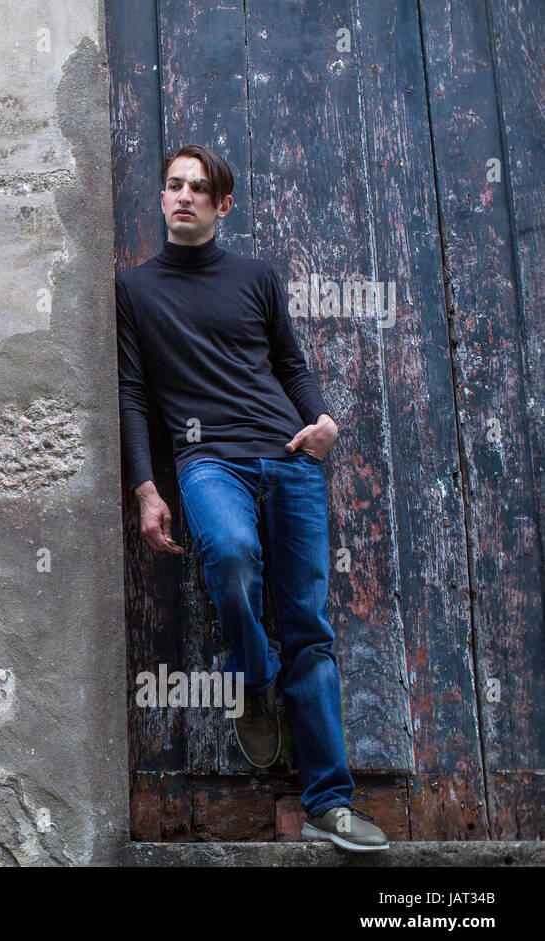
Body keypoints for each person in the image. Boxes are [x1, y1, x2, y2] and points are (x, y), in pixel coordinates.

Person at [116, 144, 388, 852]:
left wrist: (323, 421)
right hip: (207, 462)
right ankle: (253, 677)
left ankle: (330, 802)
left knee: (308, 625)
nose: (183, 196)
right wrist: (147, 486)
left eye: (199, 189)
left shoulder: (256, 277)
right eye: (174, 185)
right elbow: (135, 394)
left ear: (222, 205)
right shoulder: (135, 290)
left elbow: (290, 363)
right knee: (231, 556)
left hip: (290, 459)